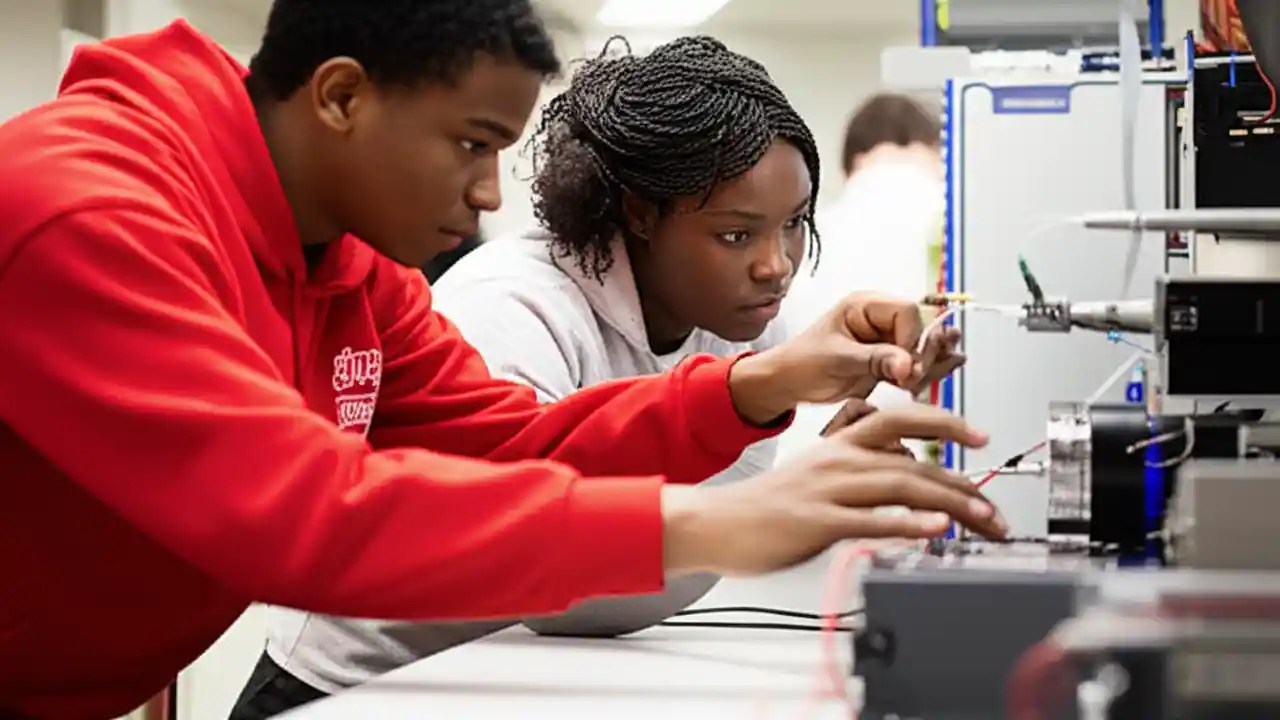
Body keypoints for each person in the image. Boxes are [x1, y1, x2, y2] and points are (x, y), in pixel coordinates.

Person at [0, 2, 1004, 718]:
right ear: (342, 96)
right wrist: (708, 521)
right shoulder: (86, 213)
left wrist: (756, 386)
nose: (489, 194)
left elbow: (509, 440)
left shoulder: (347, 265)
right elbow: (300, 507)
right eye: (472, 144)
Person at [235, 36, 968, 715]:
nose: (775, 264)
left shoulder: (740, 307)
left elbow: (703, 503)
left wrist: (810, 464)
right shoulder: (512, 304)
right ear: (642, 214)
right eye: (737, 233)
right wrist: (778, 505)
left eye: (794, 224)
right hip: (365, 686)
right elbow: (562, 587)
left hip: (514, 672)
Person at [779, 92, 948, 461]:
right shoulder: (957, 232)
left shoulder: (799, 241)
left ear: (848, 167)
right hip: (934, 471)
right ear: (935, 151)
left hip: (805, 468)